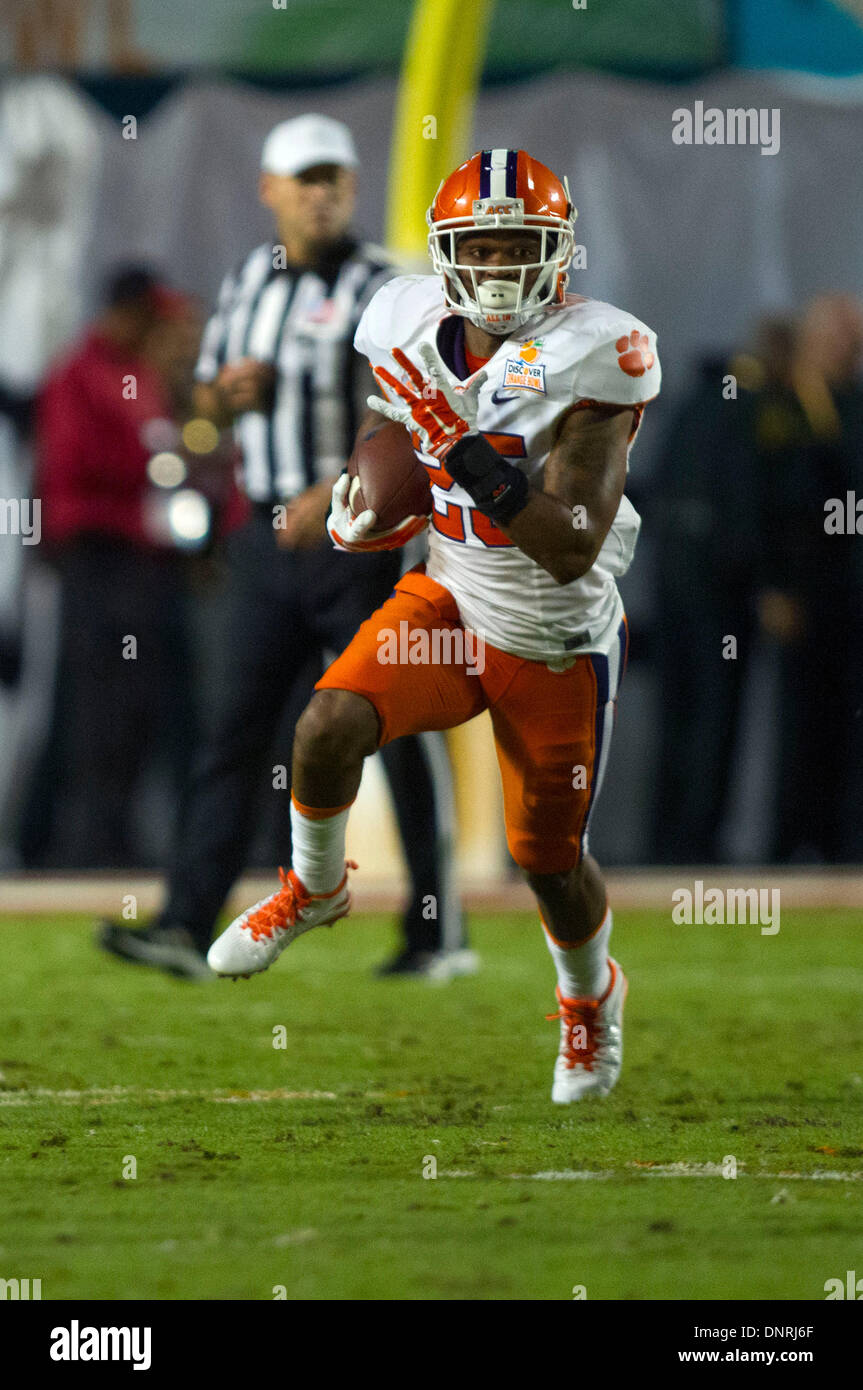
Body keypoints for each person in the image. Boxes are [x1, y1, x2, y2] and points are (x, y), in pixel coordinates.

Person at [206, 148, 661, 1104]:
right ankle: (316, 888)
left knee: (547, 861)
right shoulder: (401, 317)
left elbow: (568, 543)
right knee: (325, 726)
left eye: (516, 247)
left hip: (552, 636)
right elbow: (396, 456)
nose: (496, 269)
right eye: (479, 248)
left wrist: (453, 449)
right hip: (449, 602)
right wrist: (363, 508)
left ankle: (589, 998)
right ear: (447, 253)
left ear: (559, 251)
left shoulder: (601, 350)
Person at [98, 115, 469, 980]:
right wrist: (219, 400)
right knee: (232, 731)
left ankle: (435, 931)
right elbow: (201, 417)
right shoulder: (244, 283)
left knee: (398, 727)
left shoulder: (390, 285)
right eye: (304, 178)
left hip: (358, 539)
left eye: (333, 176)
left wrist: (339, 490)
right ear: (269, 189)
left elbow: (426, 416)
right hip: (265, 538)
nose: (321, 192)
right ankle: (188, 923)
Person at [32, 267, 202, 867]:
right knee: (96, 707)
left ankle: (112, 841)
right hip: (98, 557)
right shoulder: (80, 373)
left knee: (135, 706)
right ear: (126, 312)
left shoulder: (137, 375)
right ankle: (82, 849)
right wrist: (156, 464)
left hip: (142, 560)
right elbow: (78, 463)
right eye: (152, 318)